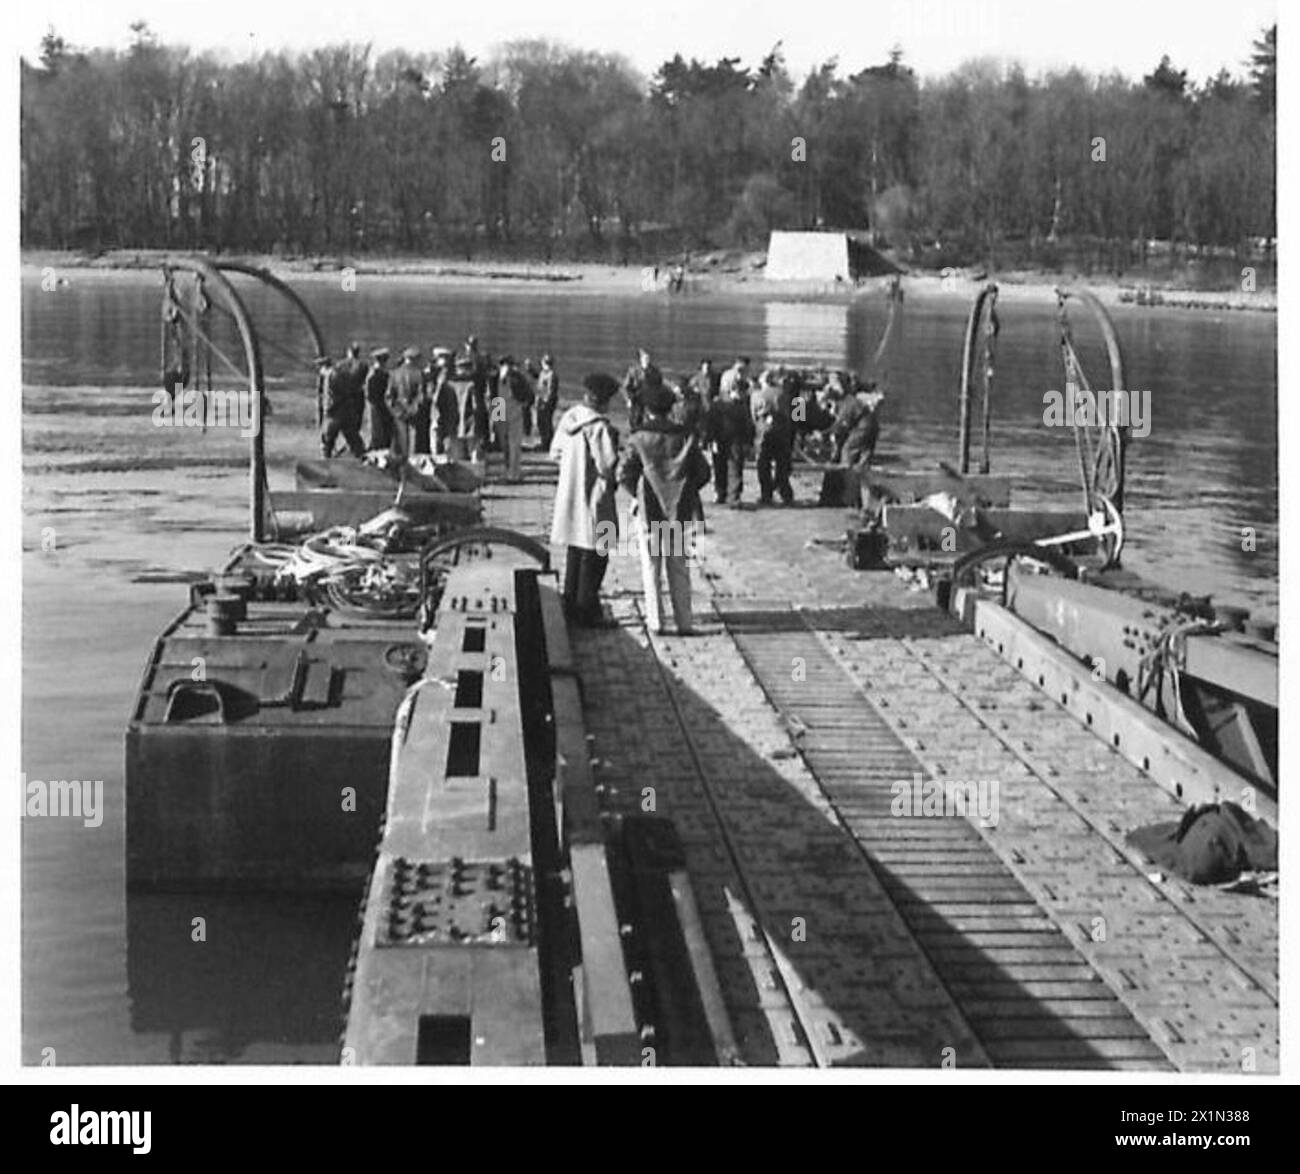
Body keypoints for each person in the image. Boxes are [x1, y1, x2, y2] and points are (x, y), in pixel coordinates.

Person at [618, 382, 711, 636]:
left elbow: (623, 473)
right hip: (679, 511)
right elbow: (703, 473)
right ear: (671, 409)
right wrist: (686, 491)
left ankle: (656, 622)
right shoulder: (685, 437)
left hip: (649, 510)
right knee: (679, 568)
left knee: (651, 567)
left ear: (647, 410)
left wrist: (637, 493)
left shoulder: (638, 439)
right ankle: (684, 622)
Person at [549, 374, 620, 627]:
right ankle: (587, 610)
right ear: (603, 401)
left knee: (574, 551)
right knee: (599, 551)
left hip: (570, 495)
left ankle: (569, 603)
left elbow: (554, 453)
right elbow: (608, 465)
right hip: (595, 498)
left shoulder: (570, 418)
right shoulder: (599, 427)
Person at [707, 361, 755, 505]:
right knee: (734, 468)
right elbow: (748, 424)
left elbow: (710, 423)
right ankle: (733, 496)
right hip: (735, 440)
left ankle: (721, 493)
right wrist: (749, 442)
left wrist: (709, 439)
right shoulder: (741, 405)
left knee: (721, 467)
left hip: (723, 439)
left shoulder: (717, 404)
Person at [750, 367, 796, 505]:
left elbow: (753, 416)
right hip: (783, 433)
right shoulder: (786, 394)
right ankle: (785, 493)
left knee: (763, 465)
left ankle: (766, 495)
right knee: (782, 465)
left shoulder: (757, 395)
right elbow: (798, 416)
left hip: (764, 433)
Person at [433, 353, 487, 462]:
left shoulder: (447, 384)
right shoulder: (474, 384)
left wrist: (439, 422)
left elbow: (437, 403)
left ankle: (459, 477)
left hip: (453, 424)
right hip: (471, 424)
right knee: (474, 456)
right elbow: (479, 405)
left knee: (456, 457)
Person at [320, 344, 367, 459]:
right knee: (355, 442)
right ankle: (362, 460)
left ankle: (326, 462)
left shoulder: (337, 369)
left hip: (334, 414)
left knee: (328, 443)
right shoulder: (361, 366)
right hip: (348, 412)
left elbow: (329, 398)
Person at [494, 355, 532, 482]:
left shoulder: (497, 376)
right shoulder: (516, 377)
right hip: (504, 406)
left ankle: (511, 471)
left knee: (509, 442)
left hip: (501, 405)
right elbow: (528, 395)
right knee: (510, 442)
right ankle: (511, 471)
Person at [832, 377, 883, 467]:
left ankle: (844, 472)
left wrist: (832, 430)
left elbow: (843, 425)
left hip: (863, 427)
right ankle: (862, 473)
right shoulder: (849, 400)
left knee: (847, 449)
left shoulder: (847, 403)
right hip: (872, 425)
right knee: (865, 452)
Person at [385, 346, 425, 460]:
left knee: (399, 445)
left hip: (398, 414)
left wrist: (397, 412)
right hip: (414, 415)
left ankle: (399, 472)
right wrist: (413, 410)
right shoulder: (419, 374)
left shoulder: (394, 374)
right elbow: (421, 396)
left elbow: (389, 396)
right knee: (413, 446)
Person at [622, 348, 663, 432]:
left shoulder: (655, 371)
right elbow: (625, 387)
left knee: (652, 422)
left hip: (650, 400)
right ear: (640, 359)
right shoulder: (633, 370)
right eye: (645, 358)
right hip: (637, 400)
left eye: (648, 358)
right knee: (635, 422)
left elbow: (660, 385)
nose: (647, 360)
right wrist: (628, 400)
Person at [364, 347, 393, 451]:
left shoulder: (384, 373)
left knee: (385, 430)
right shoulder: (374, 374)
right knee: (377, 430)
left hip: (383, 405)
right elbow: (369, 393)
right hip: (376, 405)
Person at [535, 353, 559, 451]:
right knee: (540, 422)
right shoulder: (543, 372)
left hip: (546, 402)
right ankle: (544, 441)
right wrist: (530, 369)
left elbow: (551, 390)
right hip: (541, 401)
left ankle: (547, 444)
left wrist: (546, 402)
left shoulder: (551, 374)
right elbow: (537, 376)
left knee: (546, 422)